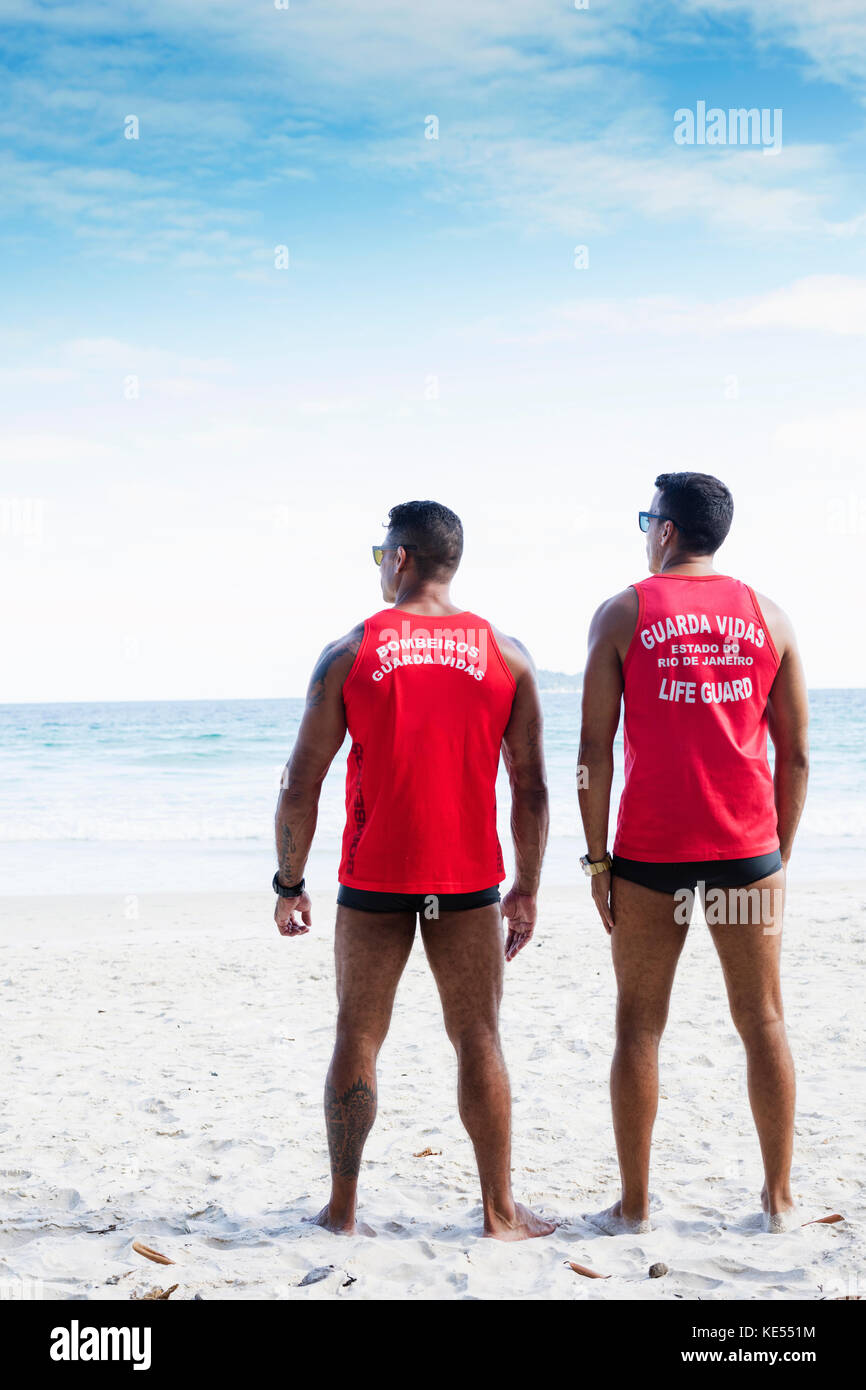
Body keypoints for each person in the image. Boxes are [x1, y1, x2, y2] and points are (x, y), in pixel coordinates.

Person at [273, 499, 554, 1241]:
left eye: (381, 556)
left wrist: (289, 882)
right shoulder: (508, 655)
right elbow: (531, 786)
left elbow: (301, 781)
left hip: (375, 877)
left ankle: (342, 1212)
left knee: (358, 1033)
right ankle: (499, 1213)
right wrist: (526, 887)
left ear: (399, 559)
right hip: (467, 879)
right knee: (479, 1035)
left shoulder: (350, 652)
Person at [578, 472, 809, 1235]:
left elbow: (593, 752)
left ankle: (636, 1207)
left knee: (639, 1026)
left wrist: (597, 861)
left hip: (651, 857)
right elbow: (796, 755)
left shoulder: (623, 612)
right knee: (763, 1020)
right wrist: (775, 856)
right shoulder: (769, 616)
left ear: (667, 530)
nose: (647, 533)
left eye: (648, 520)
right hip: (746, 852)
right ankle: (779, 1201)